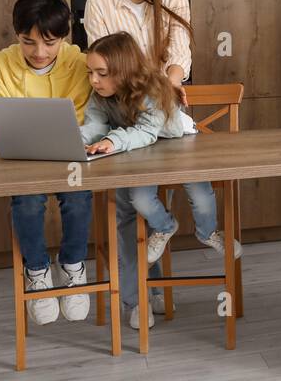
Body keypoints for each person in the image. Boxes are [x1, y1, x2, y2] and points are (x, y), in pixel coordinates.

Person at [83, 0, 235, 317]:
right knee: (126, 205)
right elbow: (108, 61)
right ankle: (137, 301)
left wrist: (166, 86)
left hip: (163, 105)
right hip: (122, 107)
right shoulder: (100, 2)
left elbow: (180, 51)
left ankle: (186, 233)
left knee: (185, 182)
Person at [79, 33, 234, 329]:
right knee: (130, 207)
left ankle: (153, 288)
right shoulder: (100, 96)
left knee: (154, 208)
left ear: (124, 72)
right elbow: (95, 126)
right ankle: (139, 298)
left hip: (170, 153)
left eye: (101, 73)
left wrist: (113, 139)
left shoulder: (150, 90)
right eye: (90, 73)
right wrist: (71, 136)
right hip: (138, 156)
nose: (94, 80)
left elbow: (148, 131)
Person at [0, 0, 93, 325]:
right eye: (28, 42)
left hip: (70, 160)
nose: (39, 53)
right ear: (17, 35)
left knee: (79, 198)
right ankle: (37, 269)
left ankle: (73, 266)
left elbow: (83, 121)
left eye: (49, 43)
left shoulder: (80, 62)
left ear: (64, 37)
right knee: (27, 202)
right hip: (22, 162)